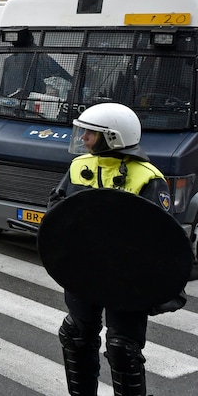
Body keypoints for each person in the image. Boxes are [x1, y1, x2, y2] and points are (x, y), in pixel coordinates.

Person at [50, 103, 172, 396]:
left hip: (126, 278)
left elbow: (161, 237)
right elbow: (57, 211)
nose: (83, 139)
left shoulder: (147, 176)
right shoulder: (79, 167)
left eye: (90, 134)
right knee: (76, 336)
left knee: (122, 348)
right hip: (83, 272)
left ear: (113, 137)